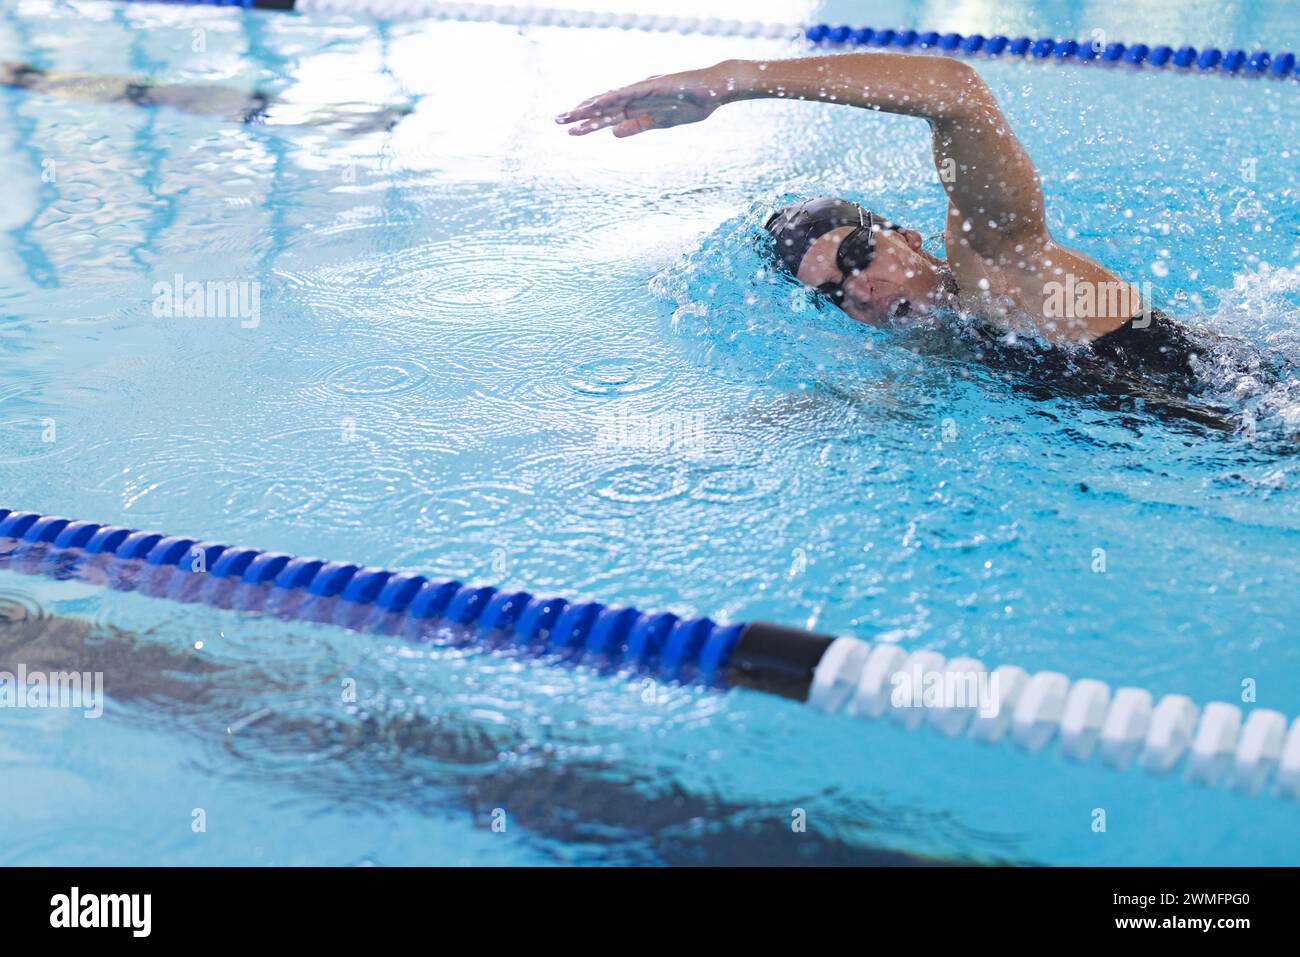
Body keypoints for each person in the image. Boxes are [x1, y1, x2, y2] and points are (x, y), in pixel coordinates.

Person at [556, 51, 1206, 389]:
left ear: (911, 237)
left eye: (857, 256)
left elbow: (958, 94)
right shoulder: (951, 348)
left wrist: (736, 80)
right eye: (835, 295)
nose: (859, 291)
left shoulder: (1002, 267)